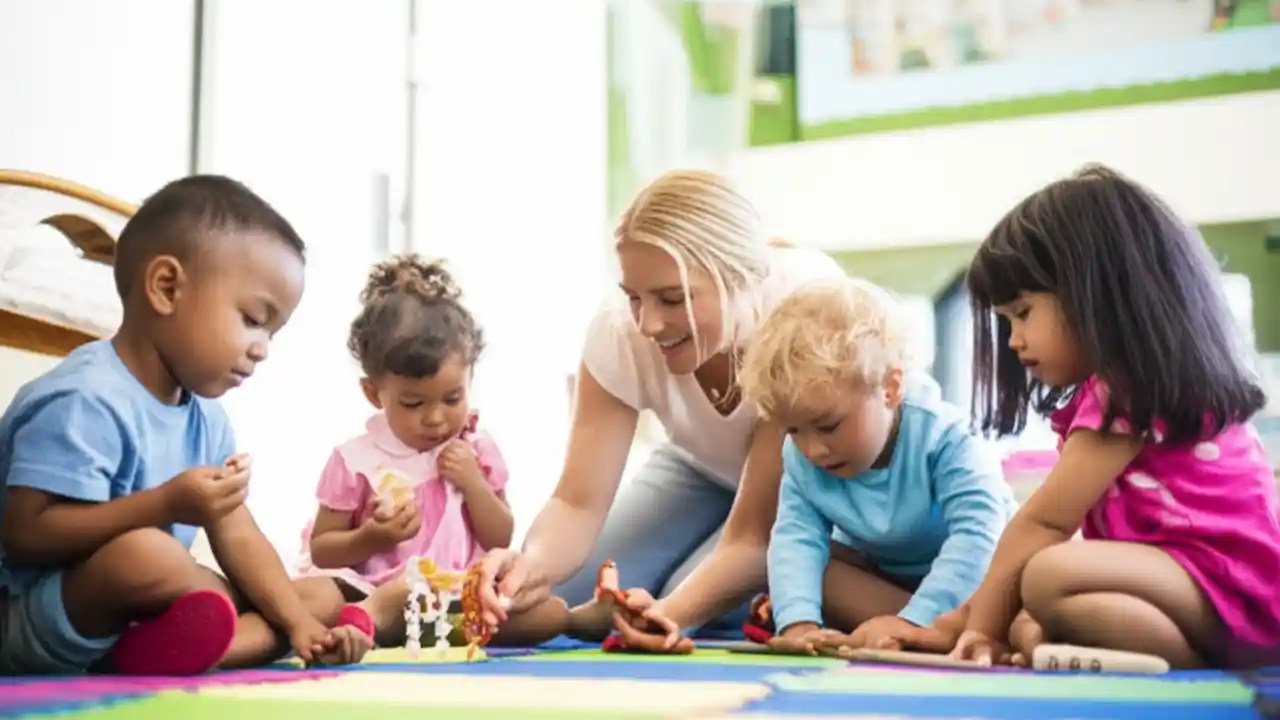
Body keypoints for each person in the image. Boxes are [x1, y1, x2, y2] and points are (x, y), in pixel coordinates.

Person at [0, 176, 365, 675]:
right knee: (158, 560)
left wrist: (302, 623)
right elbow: (25, 533)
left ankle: (186, 648)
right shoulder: (85, 398)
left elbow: (237, 534)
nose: (262, 349)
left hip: (142, 602)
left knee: (318, 594)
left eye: (272, 333)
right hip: (32, 612)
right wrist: (165, 504)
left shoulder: (206, 419)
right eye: (254, 319)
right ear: (167, 288)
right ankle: (219, 645)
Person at [475, 169, 849, 647]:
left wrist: (670, 614)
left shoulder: (801, 309)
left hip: (803, 495)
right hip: (699, 469)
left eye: (672, 299)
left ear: (740, 278)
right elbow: (577, 502)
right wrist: (528, 565)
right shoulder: (619, 330)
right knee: (563, 591)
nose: (649, 323)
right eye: (634, 297)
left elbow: (753, 536)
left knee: (681, 602)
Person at [946, 164, 1280, 669]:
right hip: (1208, 593)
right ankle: (1149, 655)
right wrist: (992, 623)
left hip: (1237, 591)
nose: (1014, 341)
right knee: (1030, 612)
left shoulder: (1126, 389)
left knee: (1043, 575)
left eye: (1023, 313)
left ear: (1092, 296)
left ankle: (1195, 661)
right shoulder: (1132, 386)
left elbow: (1045, 522)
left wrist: (975, 632)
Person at [737, 278, 1014, 655]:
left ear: (890, 389)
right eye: (793, 430)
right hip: (892, 588)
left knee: (1029, 596)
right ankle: (901, 634)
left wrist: (914, 620)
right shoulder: (802, 454)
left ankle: (931, 633)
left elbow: (979, 535)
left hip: (979, 588)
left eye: (828, 426)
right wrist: (798, 624)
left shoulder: (945, 436)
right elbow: (796, 538)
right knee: (810, 569)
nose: (813, 449)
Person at [297, 255, 560, 647]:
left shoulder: (476, 447)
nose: (436, 419)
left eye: (452, 398)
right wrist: (371, 537)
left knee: (549, 614)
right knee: (317, 597)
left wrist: (473, 484)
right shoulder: (357, 461)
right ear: (374, 393)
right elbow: (323, 549)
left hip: (455, 592)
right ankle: (384, 620)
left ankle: (398, 630)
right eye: (413, 404)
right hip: (372, 589)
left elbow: (500, 535)